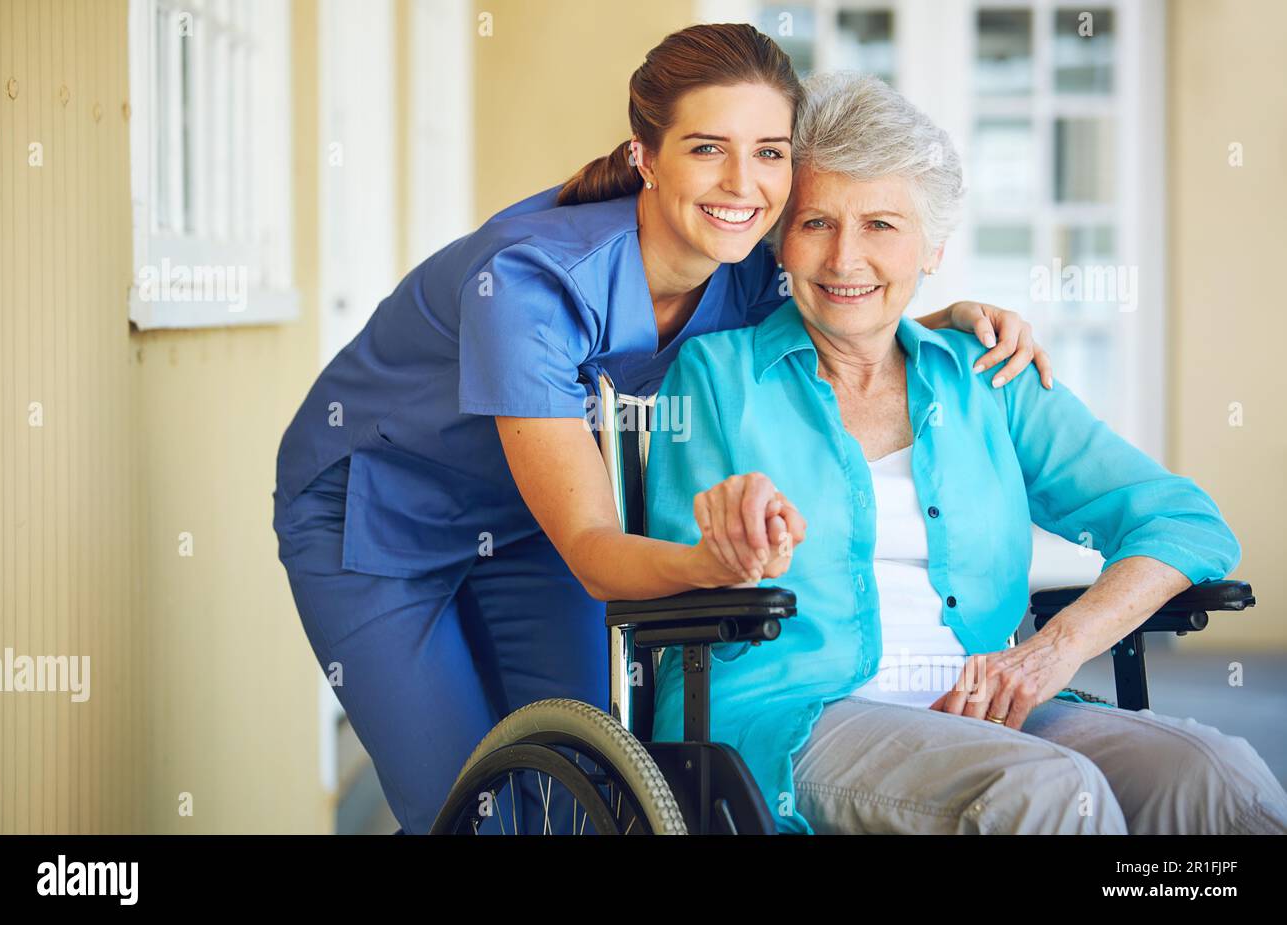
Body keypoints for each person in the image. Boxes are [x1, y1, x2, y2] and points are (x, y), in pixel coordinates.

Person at [273, 24, 1050, 835]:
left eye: (771, 152)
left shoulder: (748, 266)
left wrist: (951, 319)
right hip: (376, 520)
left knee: (587, 787)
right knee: (475, 812)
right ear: (645, 155)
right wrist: (706, 563)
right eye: (708, 148)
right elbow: (592, 547)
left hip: (526, 521)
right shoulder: (532, 284)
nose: (743, 183)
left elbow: (846, 304)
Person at [645, 72, 1287, 835]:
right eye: (817, 222)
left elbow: (1184, 522)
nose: (845, 258)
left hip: (986, 708)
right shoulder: (717, 377)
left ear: (935, 246)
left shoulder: (987, 376)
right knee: (1051, 793)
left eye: (882, 224)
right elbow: (683, 561)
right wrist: (734, 536)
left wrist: (1054, 650)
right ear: (783, 237)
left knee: (1220, 780)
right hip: (792, 720)